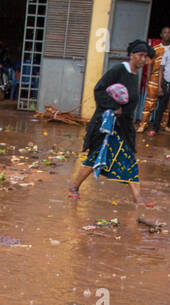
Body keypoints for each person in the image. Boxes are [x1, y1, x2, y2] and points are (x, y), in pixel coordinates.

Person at [68, 39, 155, 208]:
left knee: (128, 159)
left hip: (123, 127)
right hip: (109, 127)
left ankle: (138, 197)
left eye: (145, 56)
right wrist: (114, 107)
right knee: (96, 158)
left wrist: (125, 112)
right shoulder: (119, 70)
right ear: (131, 55)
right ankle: (74, 187)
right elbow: (99, 90)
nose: (143, 59)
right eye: (140, 55)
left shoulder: (134, 75)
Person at [137, 27, 170, 133]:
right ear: (161, 34)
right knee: (150, 103)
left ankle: (163, 124)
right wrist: (148, 79)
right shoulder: (154, 48)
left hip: (169, 79)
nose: (167, 34)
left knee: (167, 103)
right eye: (165, 32)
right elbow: (150, 64)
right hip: (155, 78)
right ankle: (143, 124)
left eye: (169, 33)